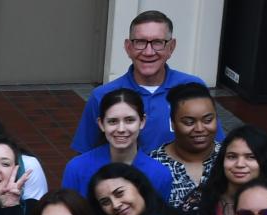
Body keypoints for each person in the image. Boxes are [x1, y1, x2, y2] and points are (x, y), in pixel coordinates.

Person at [71, 10, 222, 154]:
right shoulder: (103, 95)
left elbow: (216, 146)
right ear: (128, 47)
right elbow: (84, 156)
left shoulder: (193, 88)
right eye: (140, 42)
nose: (148, 52)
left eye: (157, 42)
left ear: (171, 47)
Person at [63, 90, 177, 201]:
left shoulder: (159, 174)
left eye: (129, 120)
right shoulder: (77, 168)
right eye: (113, 121)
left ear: (142, 122)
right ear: (101, 124)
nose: (121, 129)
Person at [151, 83, 218, 215]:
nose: (200, 129)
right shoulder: (154, 165)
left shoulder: (230, 158)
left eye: (208, 120)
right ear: (172, 123)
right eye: (189, 122)